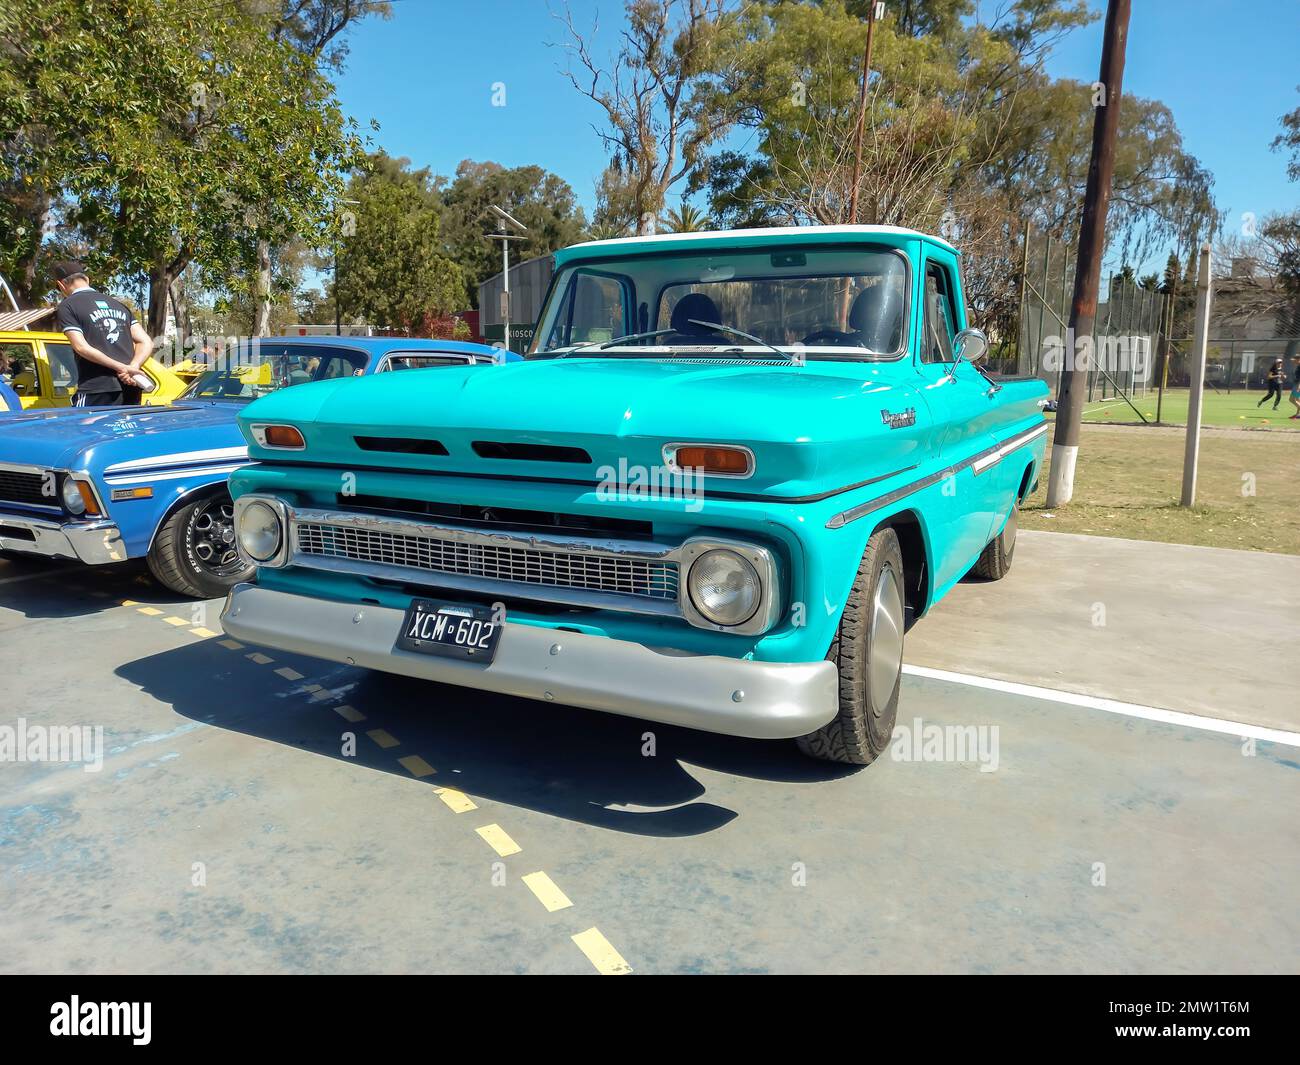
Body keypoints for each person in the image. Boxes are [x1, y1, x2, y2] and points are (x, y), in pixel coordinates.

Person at [51, 260, 153, 407]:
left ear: (61, 285)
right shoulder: (118, 304)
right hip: (131, 385)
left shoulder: (68, 305)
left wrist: (122, 368)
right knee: (129, 430)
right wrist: (133, 366)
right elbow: (146, 341)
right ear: (87, 279)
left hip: (97, 388)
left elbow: (81, 347)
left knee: (87, 430)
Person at [1290, 356, 1300, 420]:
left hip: (1298, 385)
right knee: (1297, 399)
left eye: (1295, 360)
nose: (1293, 361)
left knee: (1292, 399)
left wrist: (1299, 386)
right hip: (1296, 384)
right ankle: (1297, 414)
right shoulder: (1298, 366)